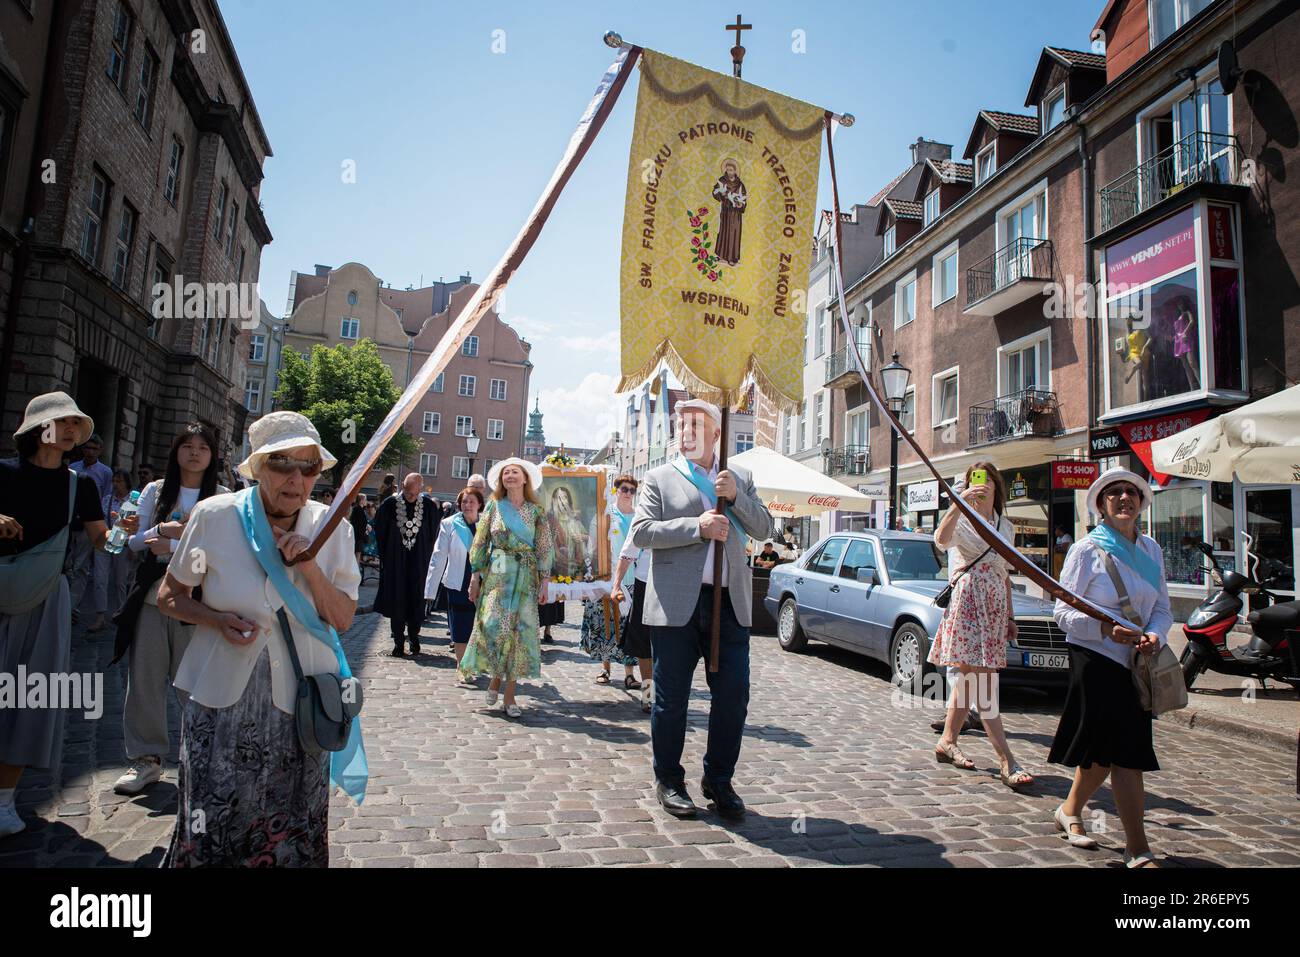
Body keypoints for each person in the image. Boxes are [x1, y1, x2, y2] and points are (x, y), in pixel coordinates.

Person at [155, 411, 361, 867]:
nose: (296, 479)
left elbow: (343, 618)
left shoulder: (332, 528)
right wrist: (214, 618)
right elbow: (171, 597)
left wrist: (308, 565)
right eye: (282, 464)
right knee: (213, 817)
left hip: (302, 707)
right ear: (257, 468)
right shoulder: (215, 516)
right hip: (221, 702)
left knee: (291, 824)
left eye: (309, 467)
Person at [630, 399, 771, 820]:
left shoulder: (740, 476)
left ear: (716, 433)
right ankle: (669, 779)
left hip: (729, 605)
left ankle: (719, 779)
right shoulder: (659, 478)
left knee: (733, 696)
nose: (686, 431)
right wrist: (698, 528)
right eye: (681, 424)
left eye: (695, 424)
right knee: (670, 699)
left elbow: (764, 528)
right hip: (676, 607)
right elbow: (641, 533)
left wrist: (736, 497)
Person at [0, 394, 111, 839]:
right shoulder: (3, 472)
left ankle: (4, 799)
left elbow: (104, 540)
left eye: (74, 425)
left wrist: (147, 532)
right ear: (36, 429)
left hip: (47, 597)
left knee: (30, 696)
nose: (69, 431)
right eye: (60, 423)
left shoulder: (79, 485)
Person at [1048, 468, 1170, 868]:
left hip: (1136, 663)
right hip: (1096, 659)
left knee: (1106, 753)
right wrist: (1103, 628)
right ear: (1101, 505)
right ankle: (1138, 848)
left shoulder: (1152, 549)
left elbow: (1163, 609)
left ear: (1141, 502)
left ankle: (1068, 810)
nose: (1123, 498)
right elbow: (1063, 613)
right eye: (1114, 493)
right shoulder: (1086, 550)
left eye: (1131, 492)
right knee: (1125, 753)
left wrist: (1156, 635)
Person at [112, 424, 227, 796]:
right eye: (187, 446)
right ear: (176, 451)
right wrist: (163, 530)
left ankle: (201, 755)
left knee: (194, 680)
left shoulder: (223, 496)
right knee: (145, 678)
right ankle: (147, 758)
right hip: (152, 595)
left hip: (199, 601)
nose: (194, 453)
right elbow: (130, 542)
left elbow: (224, 552)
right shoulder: (155, 490)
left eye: (202, 447)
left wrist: (170, 541)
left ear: (212, 455)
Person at [927, 462, 1033, 790]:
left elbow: (1003, 574)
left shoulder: (1007, 527)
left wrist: (1011, 617)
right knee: (982, 680)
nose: (981, 485)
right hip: (969, 599)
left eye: (986, 479)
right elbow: (941, 541)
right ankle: (1006, 760)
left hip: (994, 606)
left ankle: (947, 740)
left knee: (970, 681)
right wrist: (958, 503)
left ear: (997, 486)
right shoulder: (962, 518)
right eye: (975, 479)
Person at [462, 459, 554, 719]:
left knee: (519, 634)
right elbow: (480, 542)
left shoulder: (536, 511)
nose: (510, 475)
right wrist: (475, 577)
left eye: (515, 472)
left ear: (525, 479)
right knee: (494, 628)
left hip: (525, 575)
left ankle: (510, 695)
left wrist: (545, 581)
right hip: (498, 573)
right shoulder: (494, 506)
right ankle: (494, 680)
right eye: (506, 473)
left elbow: (545, 547)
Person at [578, 474, 639, 689]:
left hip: (632, 578)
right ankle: (605, 668)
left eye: (632, 490)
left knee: (629, 627)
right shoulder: (604, 515)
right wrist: (590, 576)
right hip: (606, 577)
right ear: (616, 490)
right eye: (624, 489)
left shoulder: (639, 515)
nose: (628, 494)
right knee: (606, 623)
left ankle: (630, 673)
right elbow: (592, 548)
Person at [374, 473, 439, 658]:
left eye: (413, 493)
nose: (409, 496)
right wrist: (387, 555)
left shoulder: (428, 507)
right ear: (402, 485)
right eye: (406, 491)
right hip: (396, 563)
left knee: (416, 600)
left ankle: (414, 637)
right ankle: (398, 641)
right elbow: (380, 532)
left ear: (421, 488)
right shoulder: (389, 505)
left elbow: (433, 533)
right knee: (397, 599)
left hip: (419, 562)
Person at [425, 486, 484, 688]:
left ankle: (473, 662)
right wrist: (430, 590)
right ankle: (461, 665)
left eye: (471, 502)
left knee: (478, 625)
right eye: (464, 502)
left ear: (479, 504)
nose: (467, 505)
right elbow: (438, 556)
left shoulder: (488, 524)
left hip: (483, 582)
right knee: (460, 624)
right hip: (458, 582)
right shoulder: (449, 524)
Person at [610, 477, 654, 713]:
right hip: (645, 583)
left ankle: (663, 692)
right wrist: (616, 584)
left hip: (671, 587)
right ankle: (648, 695)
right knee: (644, 646)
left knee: (668, 647)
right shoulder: (642, 517)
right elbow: (627, 552)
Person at [66, 433, 113, 629]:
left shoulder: (105, 472)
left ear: (100, 451)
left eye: (94, 449)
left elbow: (105, 497)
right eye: (87, 448)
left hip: (89, 524)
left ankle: (71, 607)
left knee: (81, 566)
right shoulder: (73, 468)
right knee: (67, 564)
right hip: (69, 522)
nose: (90, 452)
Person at [96, 468, 138, 623]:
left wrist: (133, 546)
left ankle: (121, 612)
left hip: (123, 543)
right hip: (104, 541)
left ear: (127, 483)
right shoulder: (107, 499)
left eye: (119, 481)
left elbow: (137, 526)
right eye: (114, 480)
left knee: (120, 581)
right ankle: (100, 614)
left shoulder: (134, 503)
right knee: (100, 579)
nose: (115, 484)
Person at [349, 493, 369, 564]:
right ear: (361, 500)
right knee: (357, 556)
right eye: (365, 500)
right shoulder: (359, 510)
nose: (366, 501)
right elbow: (360, 524)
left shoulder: (358, 509)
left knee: (357, 556)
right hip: (358, 536)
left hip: (357, 536)